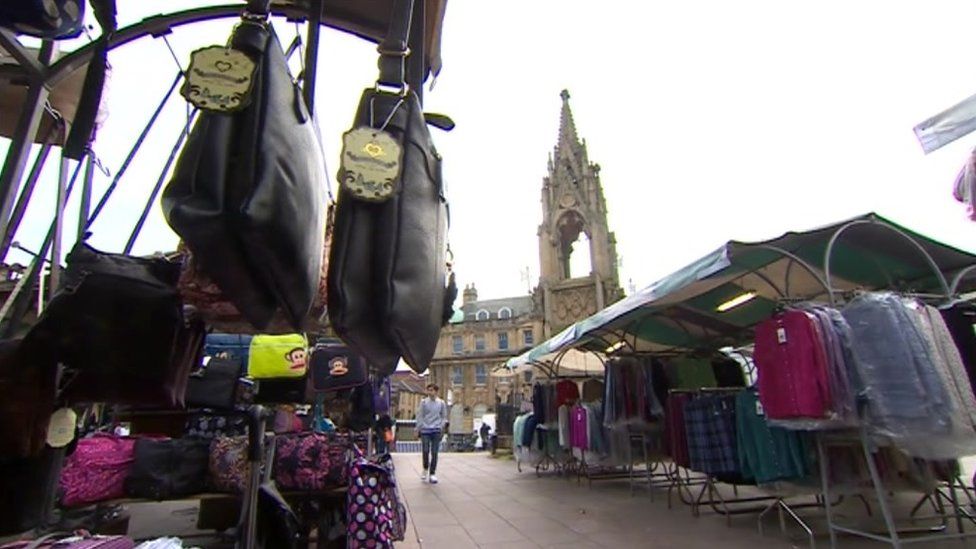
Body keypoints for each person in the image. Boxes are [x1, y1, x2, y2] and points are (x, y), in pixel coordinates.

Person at [415, 383, 447, 484]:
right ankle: (425, 468)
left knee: (434, 452)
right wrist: (418, 429)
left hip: (436, 430)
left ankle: (432, 473)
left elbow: (444, 416)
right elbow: (420, 416)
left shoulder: (441, 403)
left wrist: (441, 426)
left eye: (432, 390)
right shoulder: (424, 402)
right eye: (428, 390)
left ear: (436, 392)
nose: (430, 392)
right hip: (425, 430)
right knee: (425, 450)